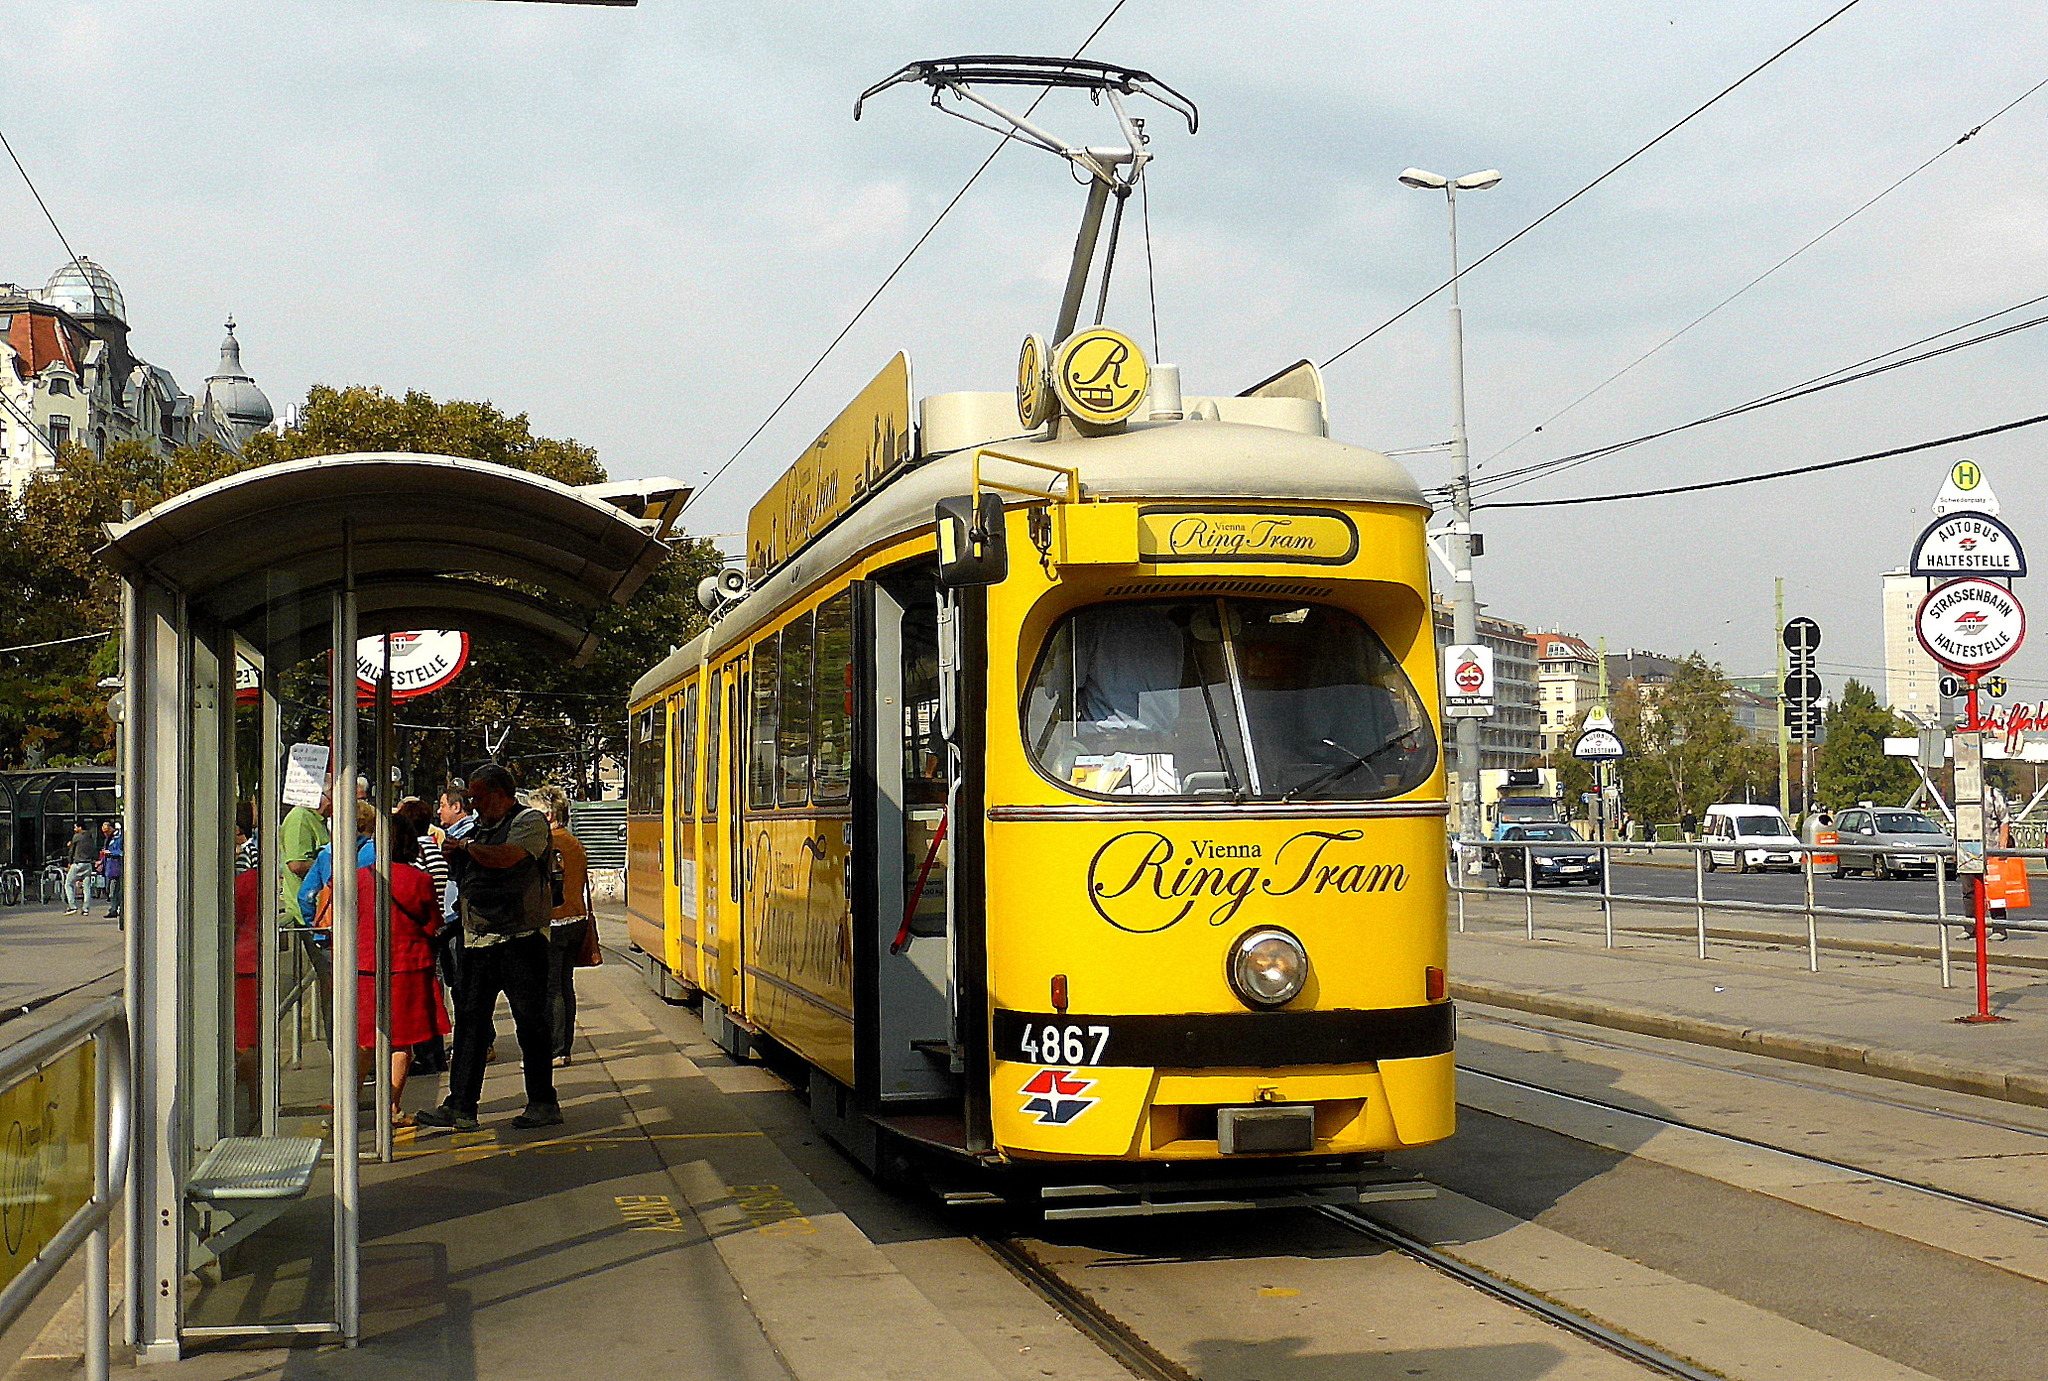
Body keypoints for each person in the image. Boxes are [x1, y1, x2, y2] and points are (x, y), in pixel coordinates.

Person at [417, 764, 560, 1132]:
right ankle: (461, 1105)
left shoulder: (528, 822)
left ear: (499, 793)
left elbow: (509, 857)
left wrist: (466, 848)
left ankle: (542, 1102)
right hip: (478, 938)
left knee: (531, 1024)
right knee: (470, 1024)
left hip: (522, 940)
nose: (474, 805)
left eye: (479, 797)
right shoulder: (481, 827)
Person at [354, 823, 449, 1127]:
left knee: (365, 1040)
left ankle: (347, 1105)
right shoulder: (419, 880)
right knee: (401, 1042)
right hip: (408, 966)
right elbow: (433, 921)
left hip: (367, 965)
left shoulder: (359, 878)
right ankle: (391, 1108)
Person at [528, 787, 593, 1067]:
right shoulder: (574, 843)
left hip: (553, 921)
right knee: (565, 985)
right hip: (576, 920)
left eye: (535, 813)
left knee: (550, 988)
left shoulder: (547, 844)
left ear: (549, 815)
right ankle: (564, 1047)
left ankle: (554, 1049)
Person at [280, 782, 332, 930]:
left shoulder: (319, 820)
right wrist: (328, 864)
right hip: (307, 911)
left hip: (321, 908)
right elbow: (297, 864)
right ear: (323, 797)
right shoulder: (300, 819)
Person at [101, 821, 123, 919]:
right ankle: (114, 908)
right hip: (109, 867)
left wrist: (110, 852)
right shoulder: (108, 839)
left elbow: (121, 851)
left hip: (116, 867)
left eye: (106, 831)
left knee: (114, 890)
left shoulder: (119, 838)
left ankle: (114, 909)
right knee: (110, 889)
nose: (105, 833)